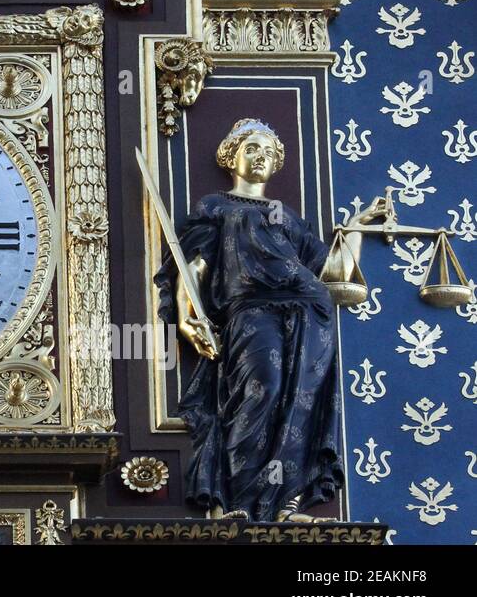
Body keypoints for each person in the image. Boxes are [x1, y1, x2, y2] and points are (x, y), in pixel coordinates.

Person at [154, 118, 388, 522]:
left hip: (311, 313)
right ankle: (241, 502)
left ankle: (285, 505)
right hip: (252, 308)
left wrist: (356, 229)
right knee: (263, 388)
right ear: (232, 156)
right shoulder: (216, 207)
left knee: (298, 405)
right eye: (251, 148)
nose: (260, 156)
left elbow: (334, 273)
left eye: (268, 151)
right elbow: (194, 266)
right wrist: (187, 315)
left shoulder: (289, 218)